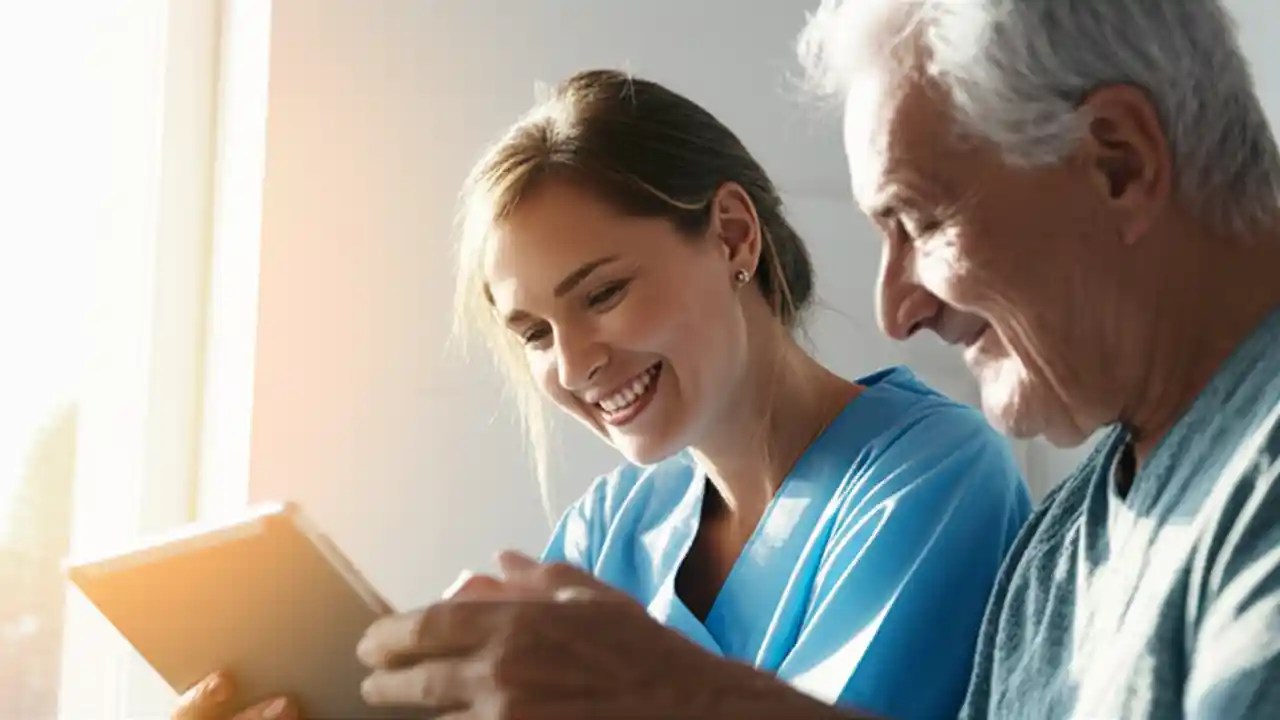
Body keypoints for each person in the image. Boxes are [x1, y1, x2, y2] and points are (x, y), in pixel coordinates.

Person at [173, 70, 1030, 720]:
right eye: (536, 334)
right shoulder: (610, 527)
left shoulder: (930, 479)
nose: (575, 363)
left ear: (732, 234)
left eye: (602, 294)